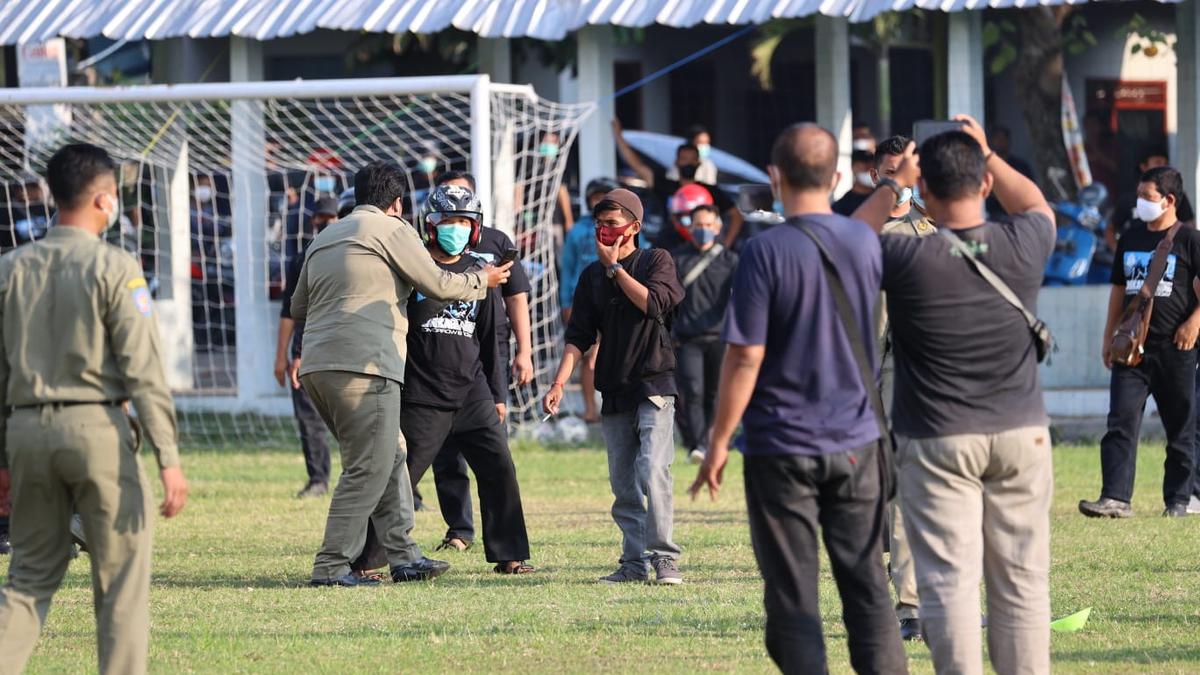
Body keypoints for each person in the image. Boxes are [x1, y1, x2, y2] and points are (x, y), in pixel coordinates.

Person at [689, 123, 907, 674]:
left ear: (774, 177)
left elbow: (745, 357)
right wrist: (896, 184)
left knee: (793, 595)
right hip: (857, 441)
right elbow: (870, 217)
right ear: (837, 178)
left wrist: (716, 443)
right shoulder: (863, 241)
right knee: (867, 590)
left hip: (780, 444)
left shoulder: (764, 251)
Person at [853, 115, 1055, 674]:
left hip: (939, 438)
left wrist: (894, 184)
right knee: (1022, 581)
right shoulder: (1024, 242)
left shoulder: (909, 255)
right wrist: (987, 152)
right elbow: (1036, 203)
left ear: (926, 191)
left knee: (946, 582)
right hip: (1022, 433)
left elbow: (844, 241)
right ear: (986, 185)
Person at [0, 142, 189, 674]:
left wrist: (2, 458)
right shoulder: (116, 267)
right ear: (104, 200)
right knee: (121, 580)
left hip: (27, 430)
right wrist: (167, 456)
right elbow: (143, 370)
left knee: (29, 577)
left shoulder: (9, 268)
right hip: (97, 429)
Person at [290, 160, 511, 587]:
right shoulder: (393, 231)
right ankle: (332, 565)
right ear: (397, 203)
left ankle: (405, 556)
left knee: (390, 458)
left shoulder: (325, 236)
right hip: (366, 367)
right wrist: (481, 278)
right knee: (366, 468)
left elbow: (299, 306)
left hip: (317, 368)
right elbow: (440, 284)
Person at [544, 188, 685, 585]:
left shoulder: (657, 260)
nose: (604, 232)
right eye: (599, 225)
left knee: (653, 469)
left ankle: (665, 558)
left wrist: (616, 270)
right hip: (615, 388)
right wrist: (558, 382)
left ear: (634, 227)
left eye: (612, 224)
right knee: (622, 483)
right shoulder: (592, 276)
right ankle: (633, 562)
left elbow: (655, 303)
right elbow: (579, 334)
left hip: (654, 382)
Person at [401, 183, 535, 575]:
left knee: (499, 469)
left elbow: (491, 335)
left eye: (463, 221)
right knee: (399, 476)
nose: (455, 228)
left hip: (473, 392)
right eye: (448, 220)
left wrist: (497, 393)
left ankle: (510, 555)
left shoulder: (483, 274)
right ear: (431, 224)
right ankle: (369, 559)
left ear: (475, 228)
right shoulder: (414, 268)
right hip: (423, 393)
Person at [1081, 166, 1200, 519]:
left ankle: (1178, 501)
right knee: (1120, 420)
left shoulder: (1190, 240)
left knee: (1181, 426)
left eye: (1147, 198)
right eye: (1139, 197)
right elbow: (1119, 289)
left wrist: (1194, 324)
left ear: (1169, 200)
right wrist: (1109, 337)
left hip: (1176, 349)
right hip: (1132, 349)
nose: (1140, 204)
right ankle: (1115, 498)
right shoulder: (1131, 236)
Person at [870, 135, 935, 642]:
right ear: (875, 176)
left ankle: (919, 599)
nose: (897, 180)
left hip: (922, 370)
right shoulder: (860, 231)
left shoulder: (931, 231)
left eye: (903, 170)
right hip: (870, 370)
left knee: (920, 485)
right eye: (888, 171)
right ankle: (894, 599)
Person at [274, 196, 339, 498]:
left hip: (349, 350)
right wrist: (285, 356)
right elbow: (291, 312)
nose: (325, 223)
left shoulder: (354, 255)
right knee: (309, 419)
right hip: (309, 350)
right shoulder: (303, 258)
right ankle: (318, 479)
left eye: (331, 217)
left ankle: (404, 489)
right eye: (321, 218)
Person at [670, 204, 737, 465]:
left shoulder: (730, 261)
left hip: (720, 338)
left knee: (715, 393)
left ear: (718, 228)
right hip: (688, 339)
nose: (704, 231)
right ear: (690, 228)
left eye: (708, 225)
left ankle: (712, 443)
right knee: (693, 392)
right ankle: (697, 445)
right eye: (699, 226)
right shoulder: (678, 259)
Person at [613, 118, 744, 249]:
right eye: (684, 159)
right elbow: (637, 166)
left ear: (698, 163)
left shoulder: (709, 190)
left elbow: (736, 215)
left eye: (692, 160)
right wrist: (618, 136)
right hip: (670, 246)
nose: (688, 163)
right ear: (677, 162)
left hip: (699, 249)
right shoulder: (666, 186)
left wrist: (725, 244)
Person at [559, 178, 617, 423]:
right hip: (585, 301)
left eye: (606, 196)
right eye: (596, 197)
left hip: (616, 298)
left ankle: (614, 406)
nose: (600, 201)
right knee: (589, 355)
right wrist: (566, 303)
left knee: (614, 353)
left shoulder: (622, 228)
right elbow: (567, 268)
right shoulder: (578, 231)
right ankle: (591, 408)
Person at [832, 150, 876, 216]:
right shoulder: (842, 206)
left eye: (872, 167)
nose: (868, 171)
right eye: (865, 167)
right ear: (853, 167)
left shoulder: (882, 198)